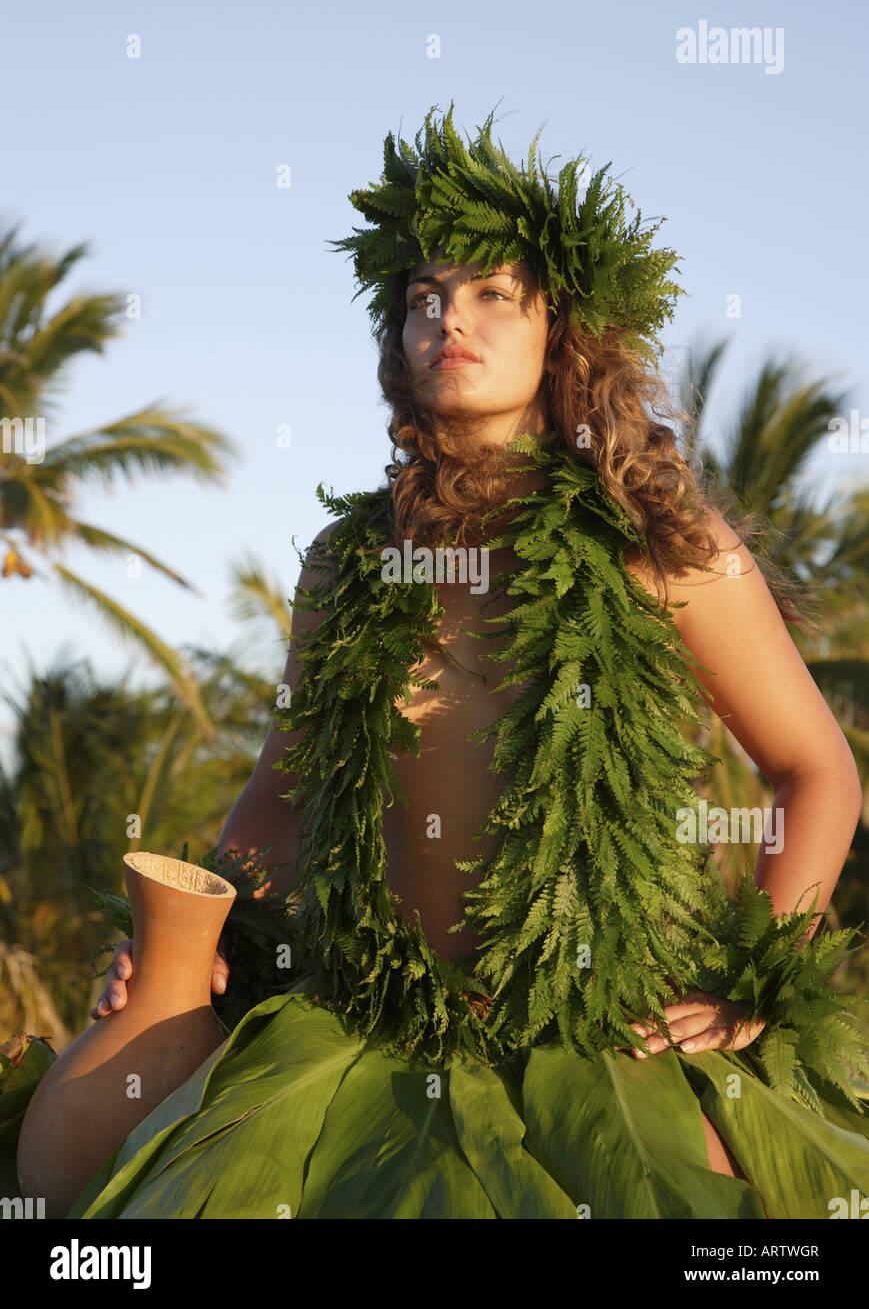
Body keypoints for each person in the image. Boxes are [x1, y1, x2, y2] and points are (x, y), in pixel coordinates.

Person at [83, 104, 869, 1219]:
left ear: (561, 328)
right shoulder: (346, 561)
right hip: (370, 1034)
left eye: (491, 290)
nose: (448, 315)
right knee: (103, 1191)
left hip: (601, 1041)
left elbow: (816, 769)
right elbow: (282, 791)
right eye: (421, 298)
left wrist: (751, 983)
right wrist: (203, 940)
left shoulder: (657, 540)